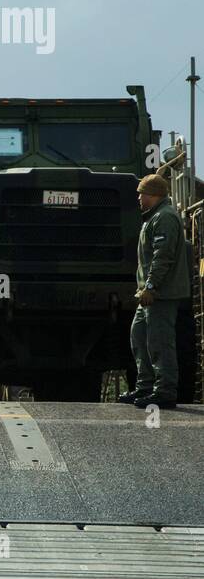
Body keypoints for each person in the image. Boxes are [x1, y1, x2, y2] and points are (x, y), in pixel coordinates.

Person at [121, 174, 189, 409]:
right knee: (139, 335)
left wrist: (151, 286)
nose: (139, 198)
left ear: (153, 194)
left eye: (142, 193)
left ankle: (165, 391)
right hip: (149, 295)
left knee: (160, 342)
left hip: (160, 293)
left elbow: (163, 257)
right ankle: (146, 386)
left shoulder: (165, 218)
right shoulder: (153, 218)